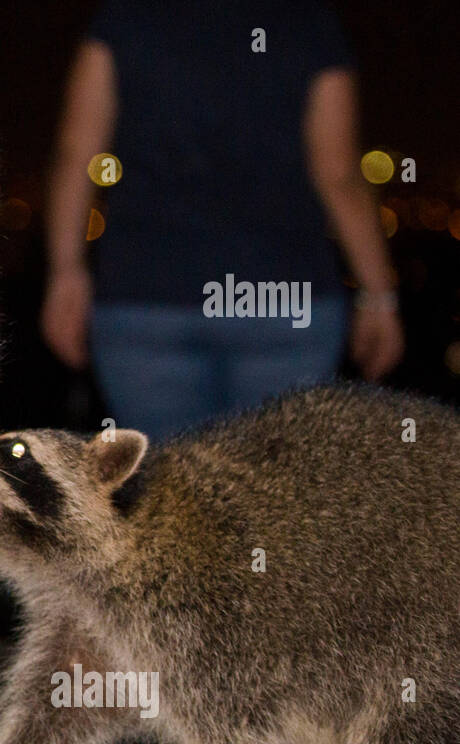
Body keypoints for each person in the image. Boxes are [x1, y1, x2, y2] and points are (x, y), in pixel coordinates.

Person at [42, 0, 404, 442]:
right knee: (275, 494)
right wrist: (379, 296)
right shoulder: (306, 21)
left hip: (146, 298)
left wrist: (65, 273)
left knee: (168, 495)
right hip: (281, 300)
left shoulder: (125, 17)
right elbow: (339, 174)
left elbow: (76, 155)